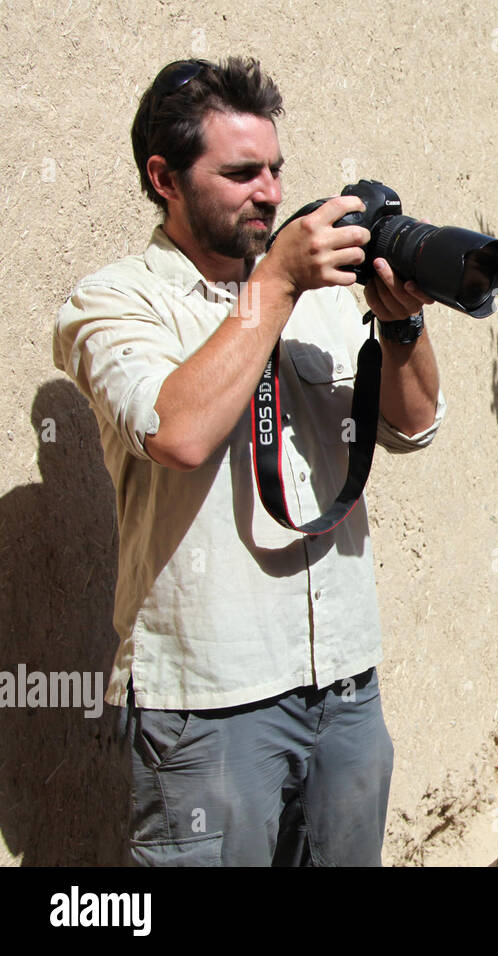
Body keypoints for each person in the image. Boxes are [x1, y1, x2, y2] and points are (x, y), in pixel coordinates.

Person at [52, 58, 445, 865]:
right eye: (238, 173)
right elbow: (179, 433)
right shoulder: (112, 302)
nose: (268, 193)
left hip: (345, 686)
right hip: (209, 703)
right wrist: (274, 288)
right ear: (164, 177)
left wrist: (400, 326)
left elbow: (415, 426)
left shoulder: (321, 296)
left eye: (274, 170)